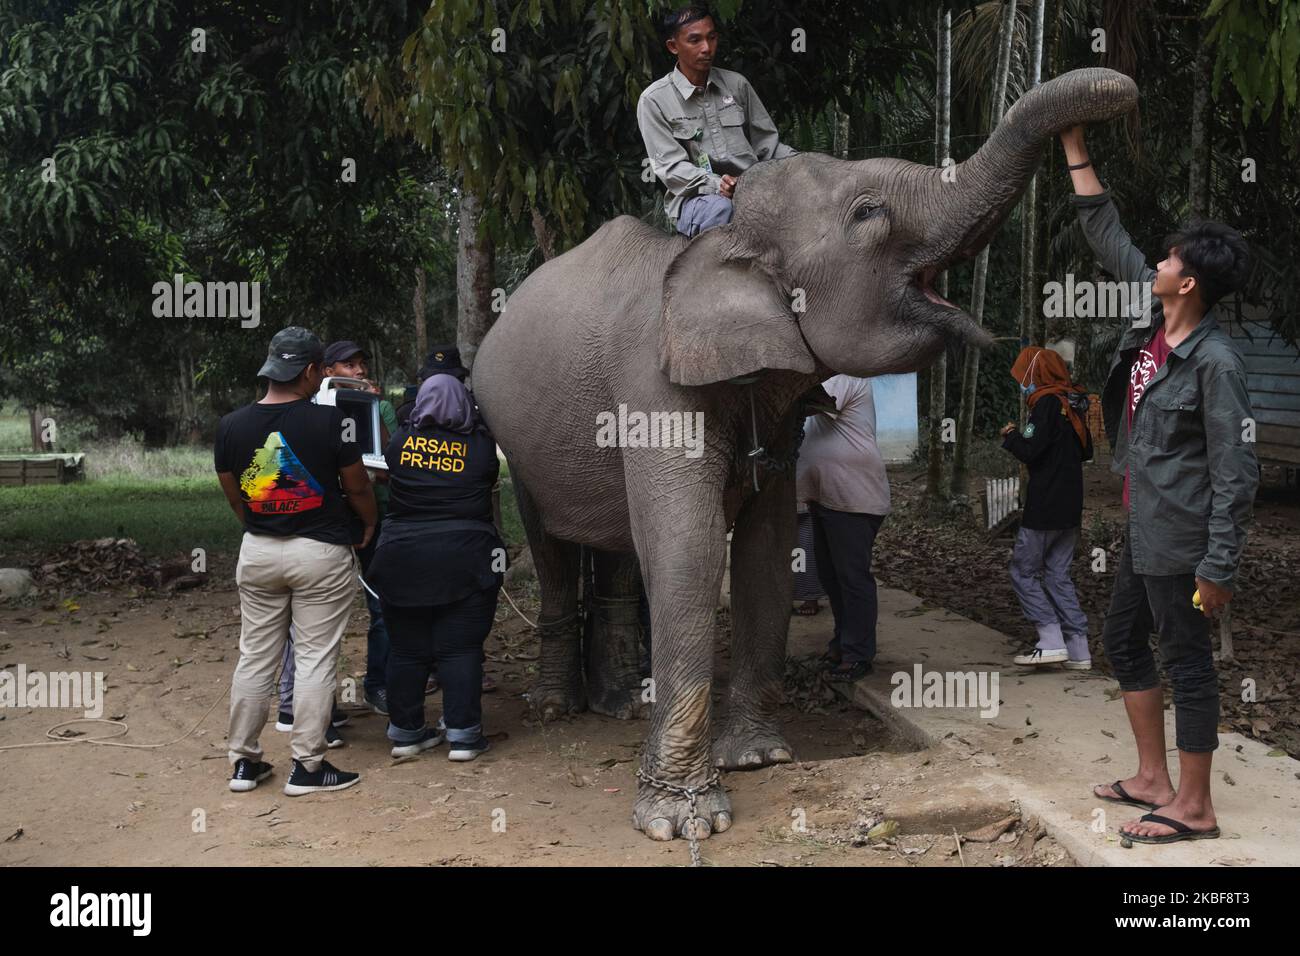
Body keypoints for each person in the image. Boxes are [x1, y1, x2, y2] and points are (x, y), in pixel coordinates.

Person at [1061, 125, 1258, 845]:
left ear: (1190, 281)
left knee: (1187, 660)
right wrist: (1074, 146)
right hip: (1145, 526)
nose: (1159, 261)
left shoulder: (1216, 364)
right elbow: (1106, 233)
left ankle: (1196, 808)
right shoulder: (1151, 322)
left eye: (1170, 257)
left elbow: (1238, 471)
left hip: (1183, 539)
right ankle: (1151, 778)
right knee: (1122, 637)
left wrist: (1219, 566)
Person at [215, 326, 375, 796]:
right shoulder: (330, 423)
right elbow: (358, 485)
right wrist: (366, 524)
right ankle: (307, 767)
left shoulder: (230, 426)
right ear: (311, 371)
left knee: (255, 658)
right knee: (314, 658)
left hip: (259, 552)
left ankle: (244, 764)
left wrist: (266, 519)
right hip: (320, 553)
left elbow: (236, 494)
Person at [365, 373, 505, 761]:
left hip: (401, 558)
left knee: (407, 652)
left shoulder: (399, 444)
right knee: (460, 649)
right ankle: (463, 736)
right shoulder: (480, 448)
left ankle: (406, 734)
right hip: (466, 557)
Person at [274, 339, 396, 735]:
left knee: (382, 606)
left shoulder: (383, 405)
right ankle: (311, 706)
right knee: (315, 622)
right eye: (348, 366)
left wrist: (372, 408)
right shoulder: (306, 410)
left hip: (373, 520)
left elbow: (389, 462)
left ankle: (378, 686)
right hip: (323, 526)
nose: (359, 372)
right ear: (324, 372)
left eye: (362, 364)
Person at [637, 3, 796, 238]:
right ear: (673, 46)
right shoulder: (654, 100)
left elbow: (768, 146)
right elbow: (671, 168)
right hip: (698, 200)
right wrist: (718, 185)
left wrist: (804, 164)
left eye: (711, 38)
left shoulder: (737, 84)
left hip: (754, 188)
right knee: (722, 209)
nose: (706, 48)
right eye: (695, 40)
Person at [999, 346, 1094, 669]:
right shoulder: (1072, 404)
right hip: (1070, 508)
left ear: (1035, 375)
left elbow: (1031, 449)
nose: (1021, 383)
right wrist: (1023, 435)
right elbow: (1084, 450)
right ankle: (1079, 649)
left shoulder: (1045, 404)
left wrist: (1011, 436)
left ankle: (1051, 639)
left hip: (1045, 507)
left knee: (1023, 572)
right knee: (1057, 575)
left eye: (1024, 376)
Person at [796, 376, 890, 682]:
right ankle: (842, 643)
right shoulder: (825, 377)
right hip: (827, 498)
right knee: (831, 576)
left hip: (854, 498)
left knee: (851, 577)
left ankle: (857, 654)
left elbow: (814, 403)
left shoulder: (848, 376)